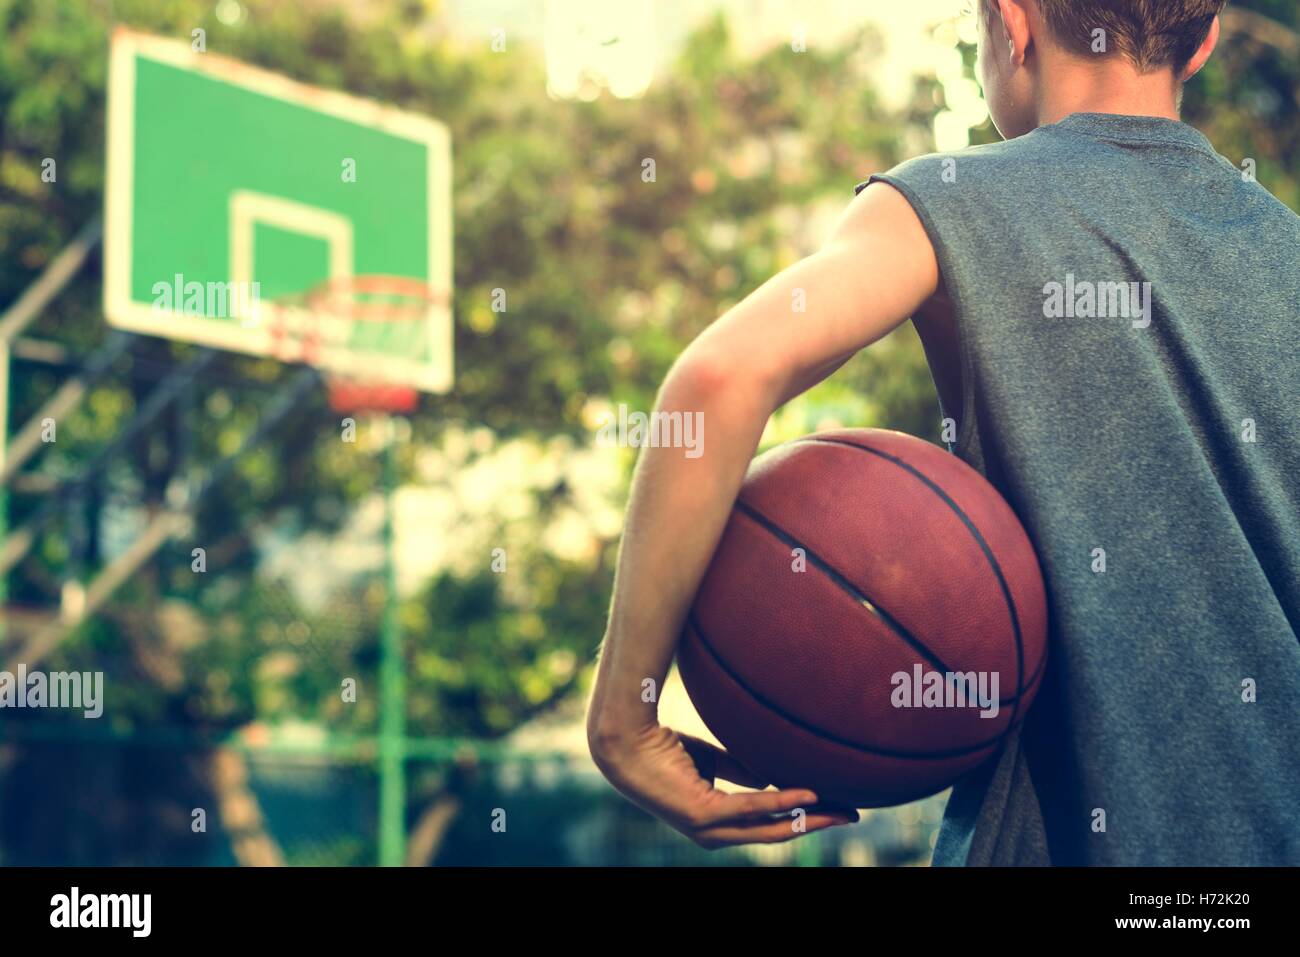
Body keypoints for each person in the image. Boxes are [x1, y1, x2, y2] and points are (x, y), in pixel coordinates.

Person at [587, 0, 1300, 864]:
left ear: (1013, 22)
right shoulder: (1285, 248)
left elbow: (718, 381)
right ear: (1203, 45)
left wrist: (627, 719)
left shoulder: (954, 203)